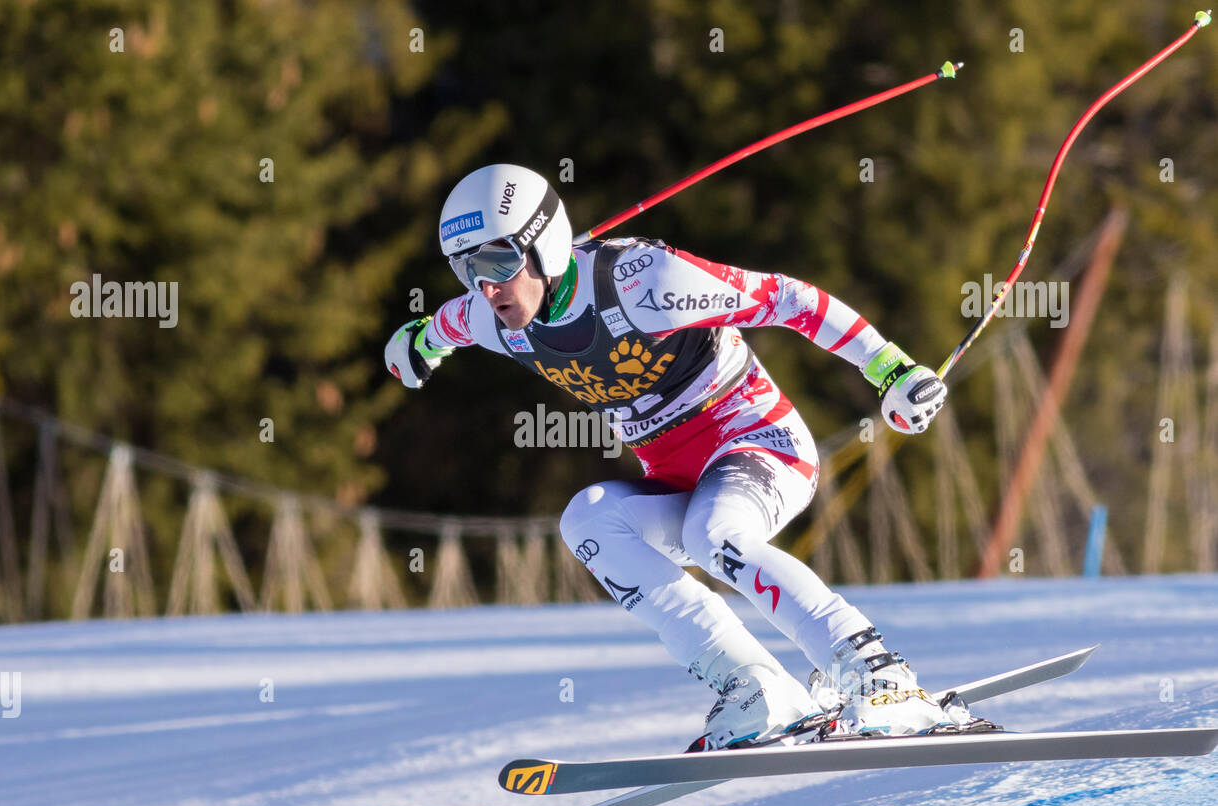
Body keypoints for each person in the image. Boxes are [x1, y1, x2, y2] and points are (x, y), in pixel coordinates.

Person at [386, 163, 971, 751]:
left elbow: (788, 298)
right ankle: (757, 689)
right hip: (676, 477)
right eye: (464, 269)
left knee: (714, 533)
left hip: (759, 445)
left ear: (545, 246)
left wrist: (889, 367)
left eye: (495, 263)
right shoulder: (492, 316)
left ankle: (878, 675)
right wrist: (415, 345)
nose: (484, 287)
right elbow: (442, 328)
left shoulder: (645, 281)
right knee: (588, 520)